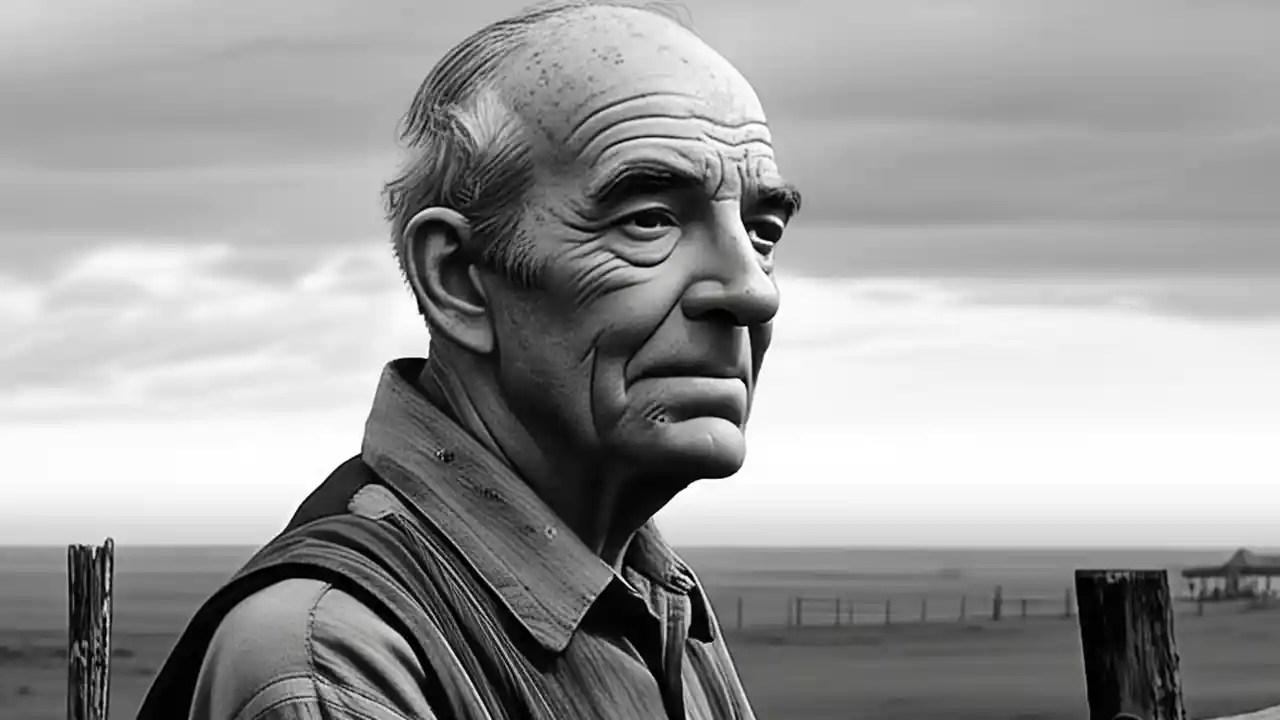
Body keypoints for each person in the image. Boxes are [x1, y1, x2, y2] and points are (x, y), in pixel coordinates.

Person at [139, 2, 802, 718]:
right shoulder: (337, 657)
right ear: (458, 279)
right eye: (649, 220)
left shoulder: (650, 603)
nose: (751, 290)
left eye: (761, 231)